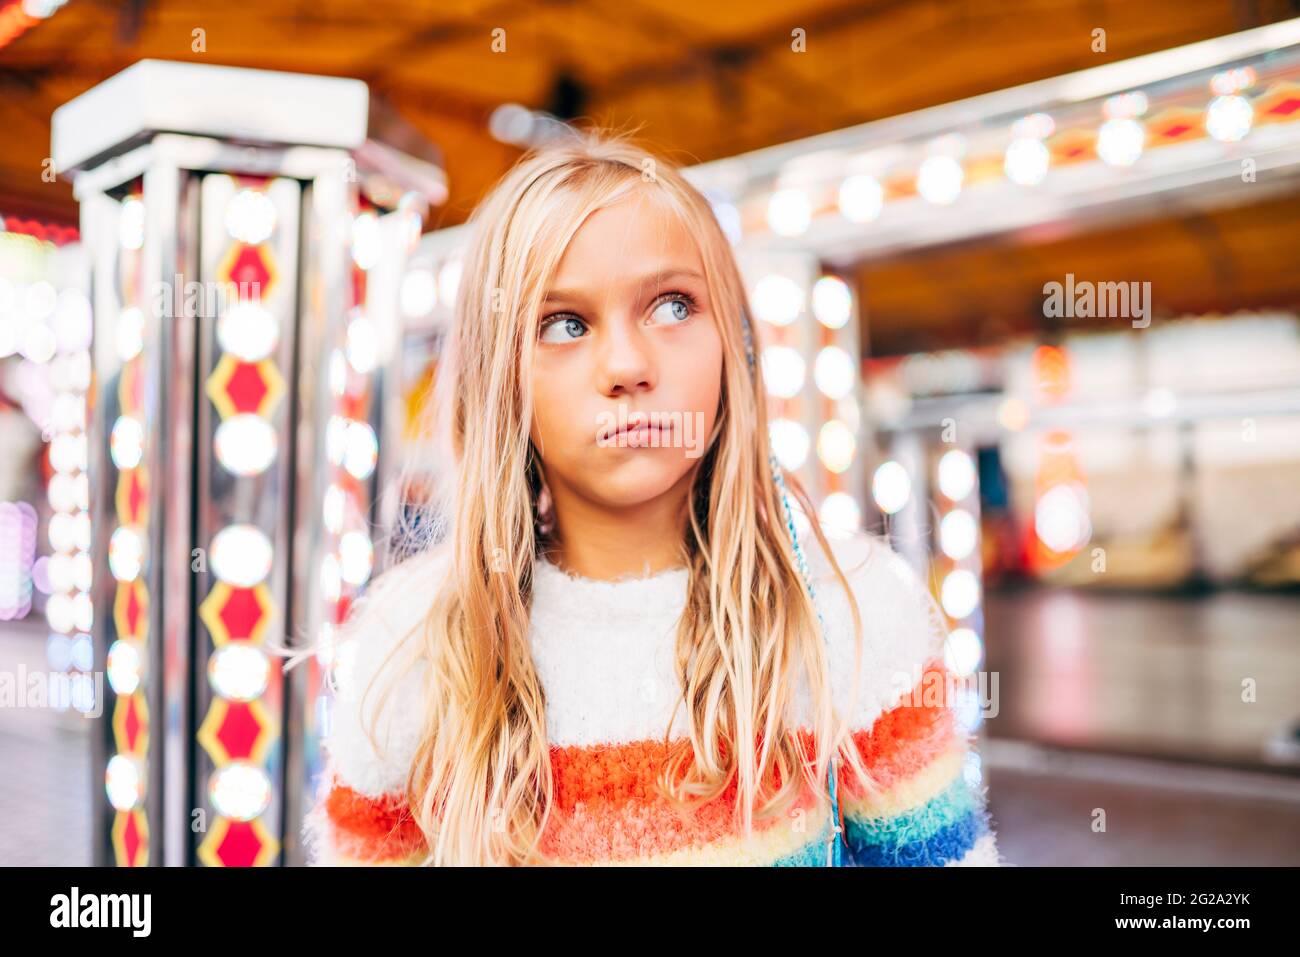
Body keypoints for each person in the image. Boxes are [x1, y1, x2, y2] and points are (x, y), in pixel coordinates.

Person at [303, 128, 1004, 867]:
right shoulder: (408, 653)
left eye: (672, 305)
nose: (629, 364)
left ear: (734, 346)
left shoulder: (853, 621)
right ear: (498, 381)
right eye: (564, 324)